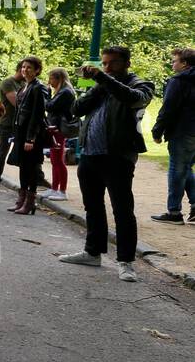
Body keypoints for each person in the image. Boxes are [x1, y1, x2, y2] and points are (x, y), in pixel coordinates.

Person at [59, 46, 156, 282]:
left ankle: (126, 261)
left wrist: (103, 78)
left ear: (126, 64)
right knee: (92, 207)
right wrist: (99, 85)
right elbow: (76, 109)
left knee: (122, 211)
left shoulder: (140, 85)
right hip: (91, 154)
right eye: (104, 63)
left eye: (112, 63)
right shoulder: (103, 85)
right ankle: (93, 252)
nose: (107, 67)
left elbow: (133, 99)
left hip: (118, 156)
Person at [150, 47, 195, 225]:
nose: (172, 63)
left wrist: (157, 130)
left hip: (182, 130)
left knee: (177, 169)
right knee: (185, 168)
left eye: (174, 60)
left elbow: (169, 108)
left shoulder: (178, 81)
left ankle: (174, 212)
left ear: (184, 63)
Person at [8, 56, 48, 215]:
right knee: (23, 167)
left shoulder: (38, 88)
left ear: (37, 70)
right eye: (23, 67)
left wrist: (31, 138)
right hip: (20, 132)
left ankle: (30, 202)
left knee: (31, 168)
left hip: (31, 135)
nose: (25, 70)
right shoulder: (25, 86)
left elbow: (37, 115)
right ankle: (21, 199)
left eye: (29, 67)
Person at [44, 67, 77, 201]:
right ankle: (54, 187)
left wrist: (46, 95)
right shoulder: (62, 91)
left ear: (59, 79)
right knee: (54, 159)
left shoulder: (65, 92)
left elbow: (50, 106)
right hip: (55, 127)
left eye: (51, 78)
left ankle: (62, 190)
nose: (49, 81)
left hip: (59, 128)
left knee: (58, 160)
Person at [0, 66, 25, 188]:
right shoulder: (8, 82)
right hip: (7, 123)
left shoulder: (24, 83)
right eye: (24, 68)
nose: (26, 71)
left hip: (20, 122)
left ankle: (37, 179)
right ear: (19, 69)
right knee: (3, 151)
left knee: (26, 151)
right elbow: (16, 103)